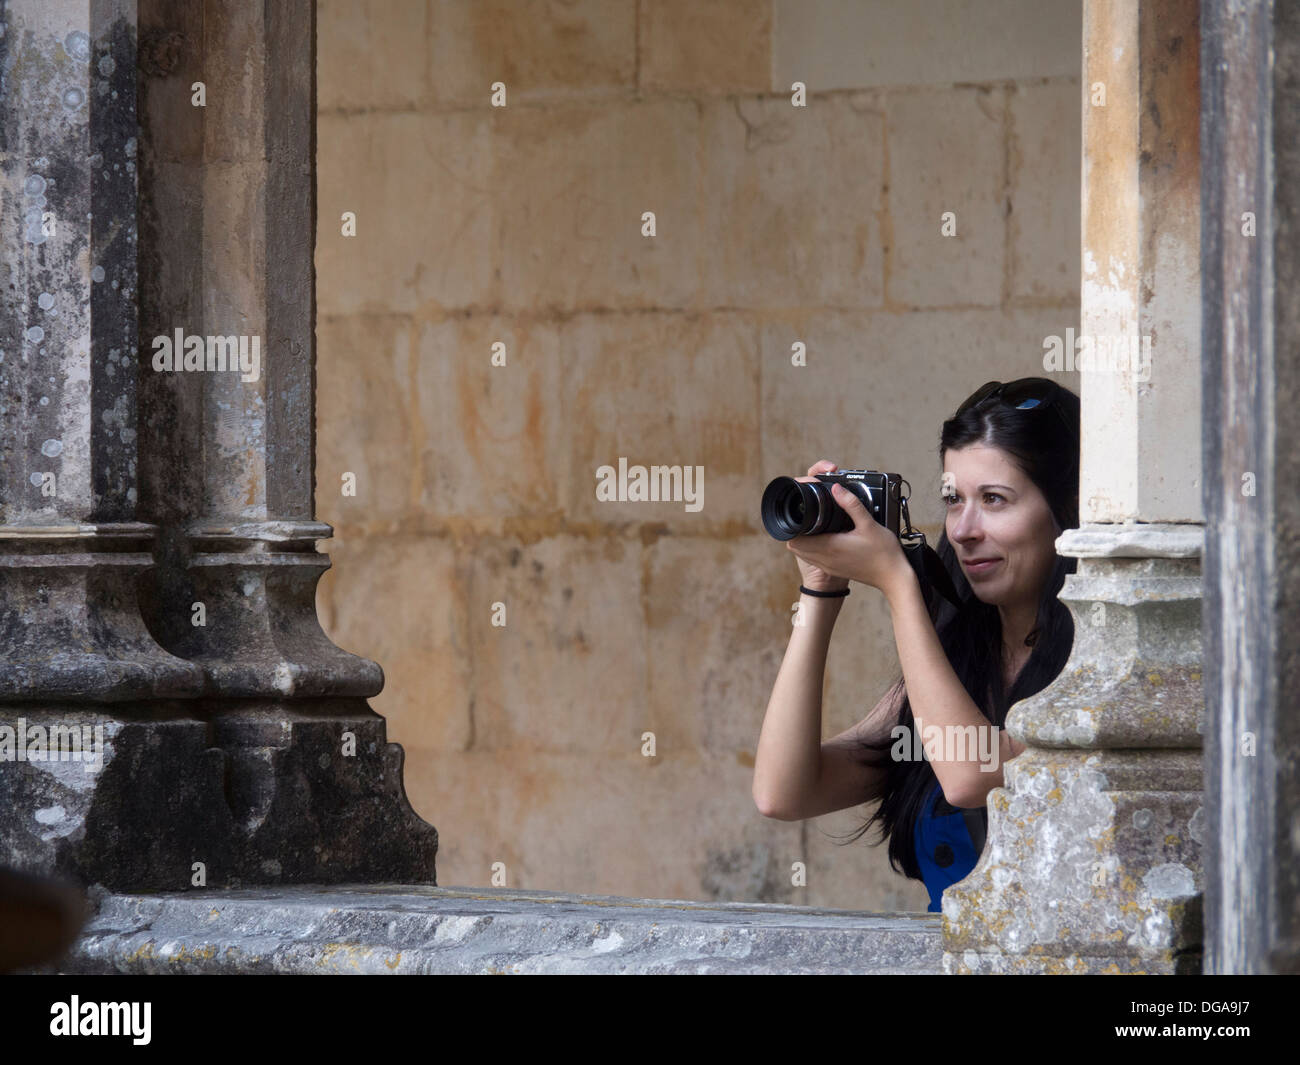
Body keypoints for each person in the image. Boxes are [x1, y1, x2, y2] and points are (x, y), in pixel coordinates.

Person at [752, 378, 1081, 913]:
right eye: (954, 500)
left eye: (994, 499)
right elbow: (784, 792)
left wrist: (899, 584)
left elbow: (970, 776)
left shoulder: (1098, 665)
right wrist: (819, 586)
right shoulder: (957, 661)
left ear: (1067, 509)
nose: (963, 530)